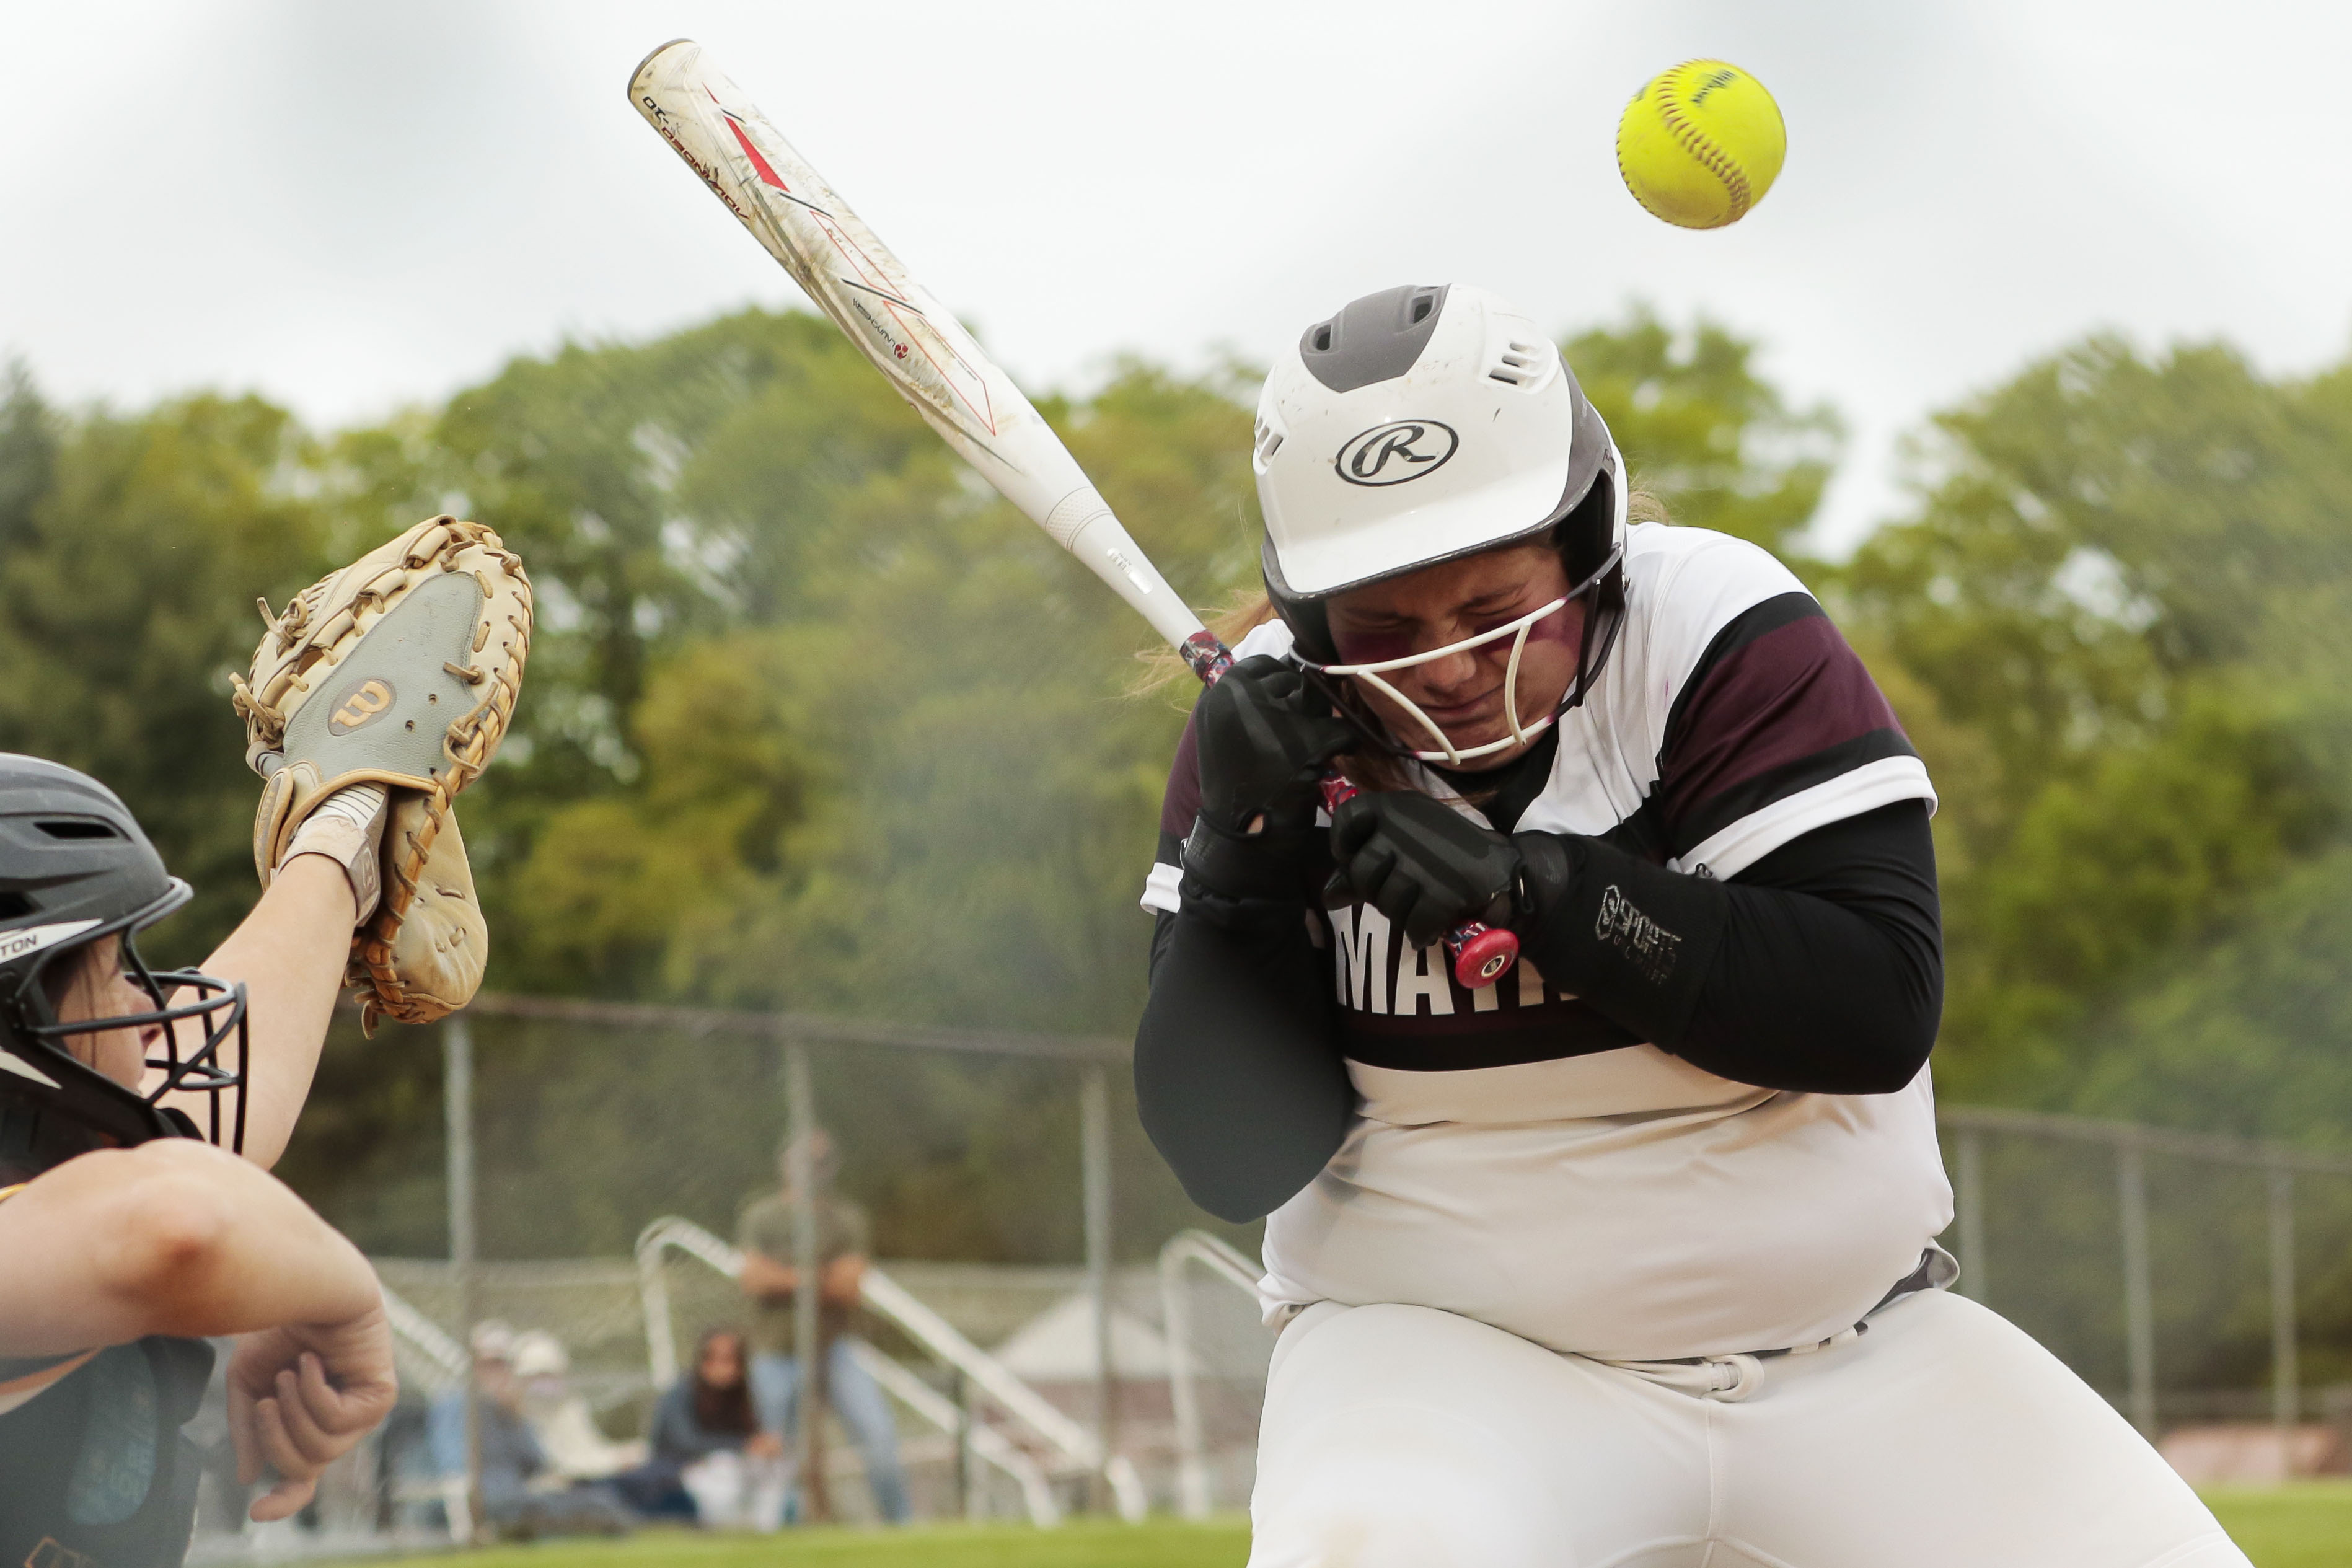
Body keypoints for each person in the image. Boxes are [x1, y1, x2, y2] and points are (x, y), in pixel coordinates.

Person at [1134, 283, 2252, 1568]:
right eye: (1387, 626)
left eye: (1495, 608)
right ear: (1313, 616)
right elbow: (1234, 1156)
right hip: (1441, 1361)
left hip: (1848, 1355)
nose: (1445, 663)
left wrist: (1535, 892)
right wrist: (1240, 859)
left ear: (1588, 546)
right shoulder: (1268, 737)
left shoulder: (1711, 635)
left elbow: (1870, 1002)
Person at [0, 756, 400, 1561]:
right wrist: (344, 1297)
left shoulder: (56, 1180)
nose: (154, 1009)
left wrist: (351, 817)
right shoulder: (99, 1223)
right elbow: (177, 1222)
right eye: (114, 970)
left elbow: (222, 1097)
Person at [737, 1130, 910, 1523]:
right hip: (775, 1351)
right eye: (801, 1161)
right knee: (775, 1447)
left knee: (878, 1436)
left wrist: (786, 1277)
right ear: (784, 1164)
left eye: (820, 1162)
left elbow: (849, 1286)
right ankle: (771, 1531)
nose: (810, 1171)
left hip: (834, 1347)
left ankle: (902, 1528)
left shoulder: (846, 1218)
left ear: (831, 1168)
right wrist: (817, 1279)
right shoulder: (763, 1216)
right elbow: (753, 1280)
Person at [425, 1322, 630, 1539]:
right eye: (491, 1363)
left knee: (600, 1500)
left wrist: (516, 1417)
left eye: (505, 1364)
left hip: (520, 1495)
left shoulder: (510, 1408)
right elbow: (454, 1466)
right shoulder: (455, 1405)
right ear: (475, 1365)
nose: (499, 1371)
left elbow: (537, 1462)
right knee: (535, 1510)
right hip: (484, 1498)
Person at [613, 1328, 784, 1523]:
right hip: (678, 1474)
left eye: (731, 1360)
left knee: (770, 1466)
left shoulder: (743, 1397)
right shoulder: (681, 1393)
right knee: (724, 1466)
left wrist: (763, 1446)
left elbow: (753, 1438)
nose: (723, 1368)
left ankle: (765, 1529)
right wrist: (744, 1445)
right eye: (716, 1359)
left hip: (729, 1471)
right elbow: (686, 1443)